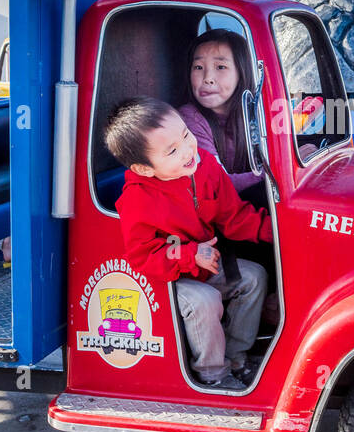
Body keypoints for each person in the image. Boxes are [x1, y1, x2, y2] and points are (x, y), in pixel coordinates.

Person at [106, 96, 271, 391]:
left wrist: (273, 230)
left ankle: (235, 356)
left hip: (204, 265)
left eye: (186, 135)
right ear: (144, 168)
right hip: (166, 281)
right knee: (204, 301)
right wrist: (190, 254)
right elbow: (143, 257)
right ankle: (212, 373)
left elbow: (233, 215)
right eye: (172, 150)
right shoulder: (137, 200)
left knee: (254, 277)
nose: (187, 150)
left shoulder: (204, 166)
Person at [177, 28, 260, 194]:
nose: (207, 78)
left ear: (242, 72)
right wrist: (276, 172)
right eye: (198, 67)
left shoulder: (257, 109)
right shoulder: (190, 118)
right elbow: (219, 184)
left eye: (220, 67)